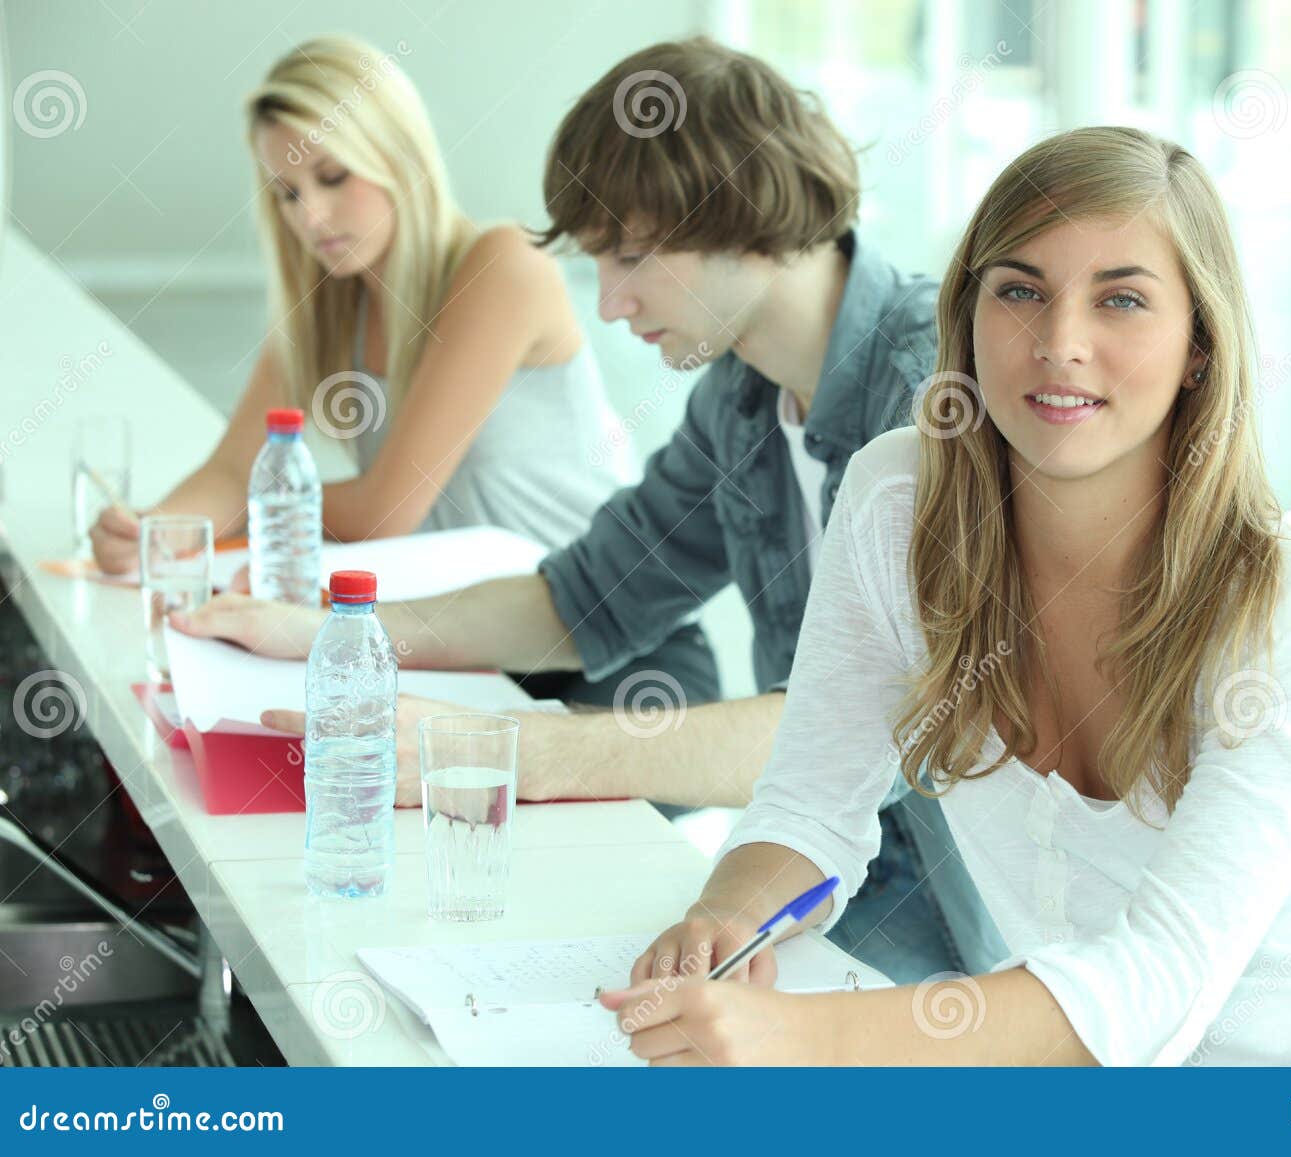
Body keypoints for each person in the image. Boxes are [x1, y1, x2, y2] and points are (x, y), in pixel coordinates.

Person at [596, 126, 1291, 1066]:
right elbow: (811, 804)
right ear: (968, 316)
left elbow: (1155, 982)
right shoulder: (895, 501)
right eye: (1020, 291)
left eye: (1121, 299)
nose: (1060, 343)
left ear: (1200, 344)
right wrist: (723, 920)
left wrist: (800, 1037)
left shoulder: (1290, 605)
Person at [174, 38, 1005, 985]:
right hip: (810, 871)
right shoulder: (739, 396)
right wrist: (333, 628)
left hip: (955, 908)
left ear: (746, 216)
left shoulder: (932, 387)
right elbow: (584, 595)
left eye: (633, 257)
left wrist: (500, 750)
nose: (608, 303)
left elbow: (865, 731)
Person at [89, 35, 717, 709]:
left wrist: (252, 510)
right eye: (287, 193)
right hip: (462, 647)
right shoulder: (327, 303)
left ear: (396, 154)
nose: (310, 216)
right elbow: (232, 469)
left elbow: (386, 507)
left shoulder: (501, 264)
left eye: (333, 178)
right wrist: (156, 532)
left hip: (614, 652)